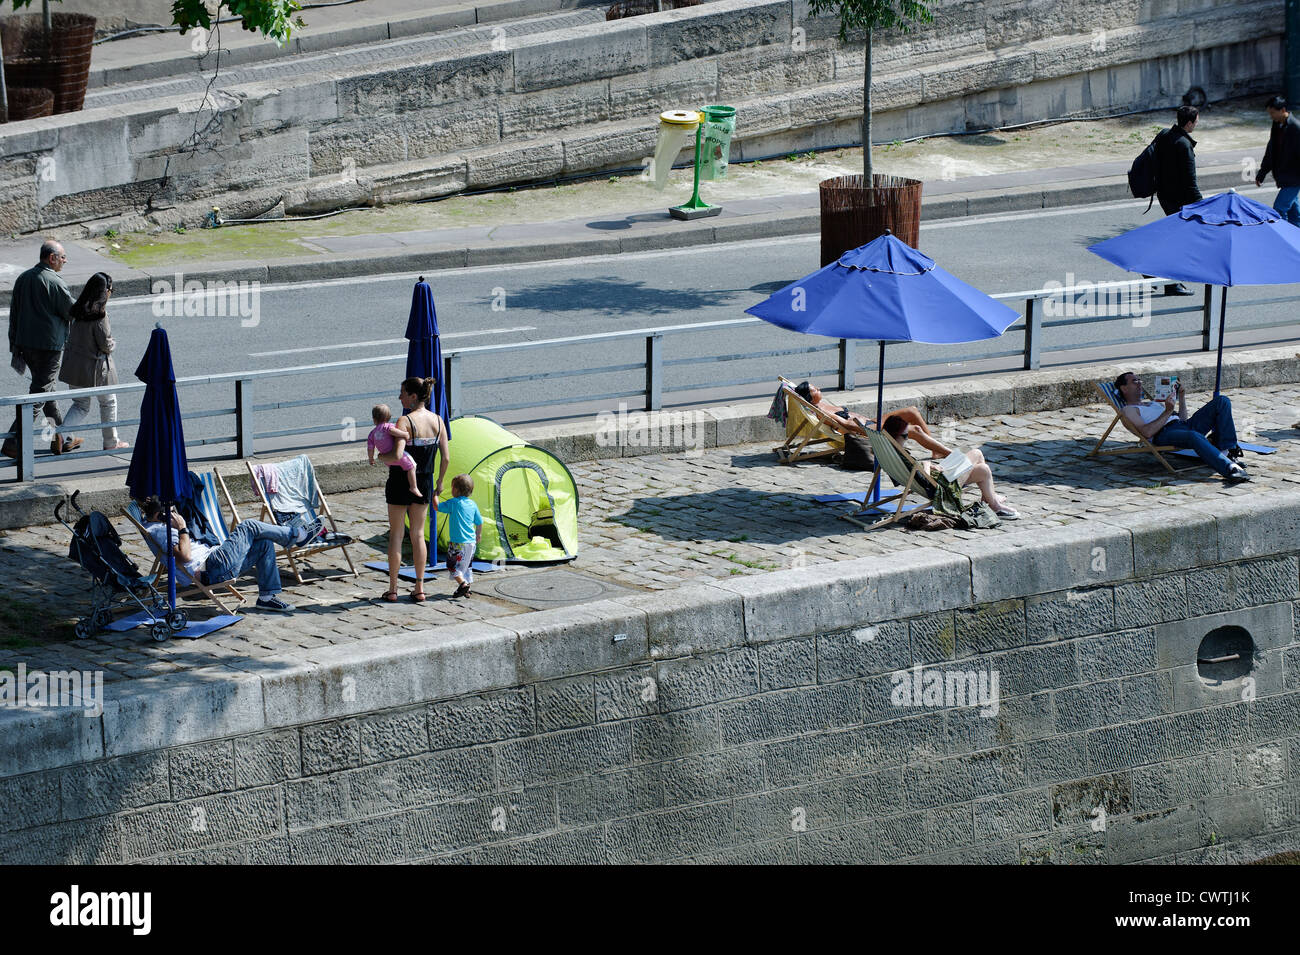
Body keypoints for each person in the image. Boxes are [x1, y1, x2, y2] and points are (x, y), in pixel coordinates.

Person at [139, 495, 340, 613]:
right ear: (160, 515)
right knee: (249, 525)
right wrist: (182, 528)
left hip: (216, 562)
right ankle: (297, 535)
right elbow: (184, 557)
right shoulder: (159, 531)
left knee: (263, 543)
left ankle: (267, 597)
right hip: (211, 568)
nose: (175, 514)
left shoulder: (158, 524)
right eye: (171, 511)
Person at [3, 239, 78, 458]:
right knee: (39, 395)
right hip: (49, 347)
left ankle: (63, 438)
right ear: (52, 258)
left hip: (26, 345)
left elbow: (14, 313)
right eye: (62, 257)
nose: (65, 261)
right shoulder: (54, 282)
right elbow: (71, 311)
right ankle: (13, 440)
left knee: (46, 391)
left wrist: (15, 344)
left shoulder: (23, 278)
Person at [1113, 371, 1248, 483]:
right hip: (1164, 434)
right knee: (1193, 436)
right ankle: (1229, 468)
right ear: (1124, 388)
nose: (1140, 383)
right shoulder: (1129, 410)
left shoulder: (1152, 404)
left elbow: (1182, 419)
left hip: (1183, 426)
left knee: (1222, 401)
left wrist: (1181, 396)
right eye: (1134, 381)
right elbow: (1147, 432)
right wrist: (1167, 411)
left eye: (1139, 380)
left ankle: (1228, 452)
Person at [383, 376, 449, 603]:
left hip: (400, 481)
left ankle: (392, 589)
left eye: (402, 392)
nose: (399, 397)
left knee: (396, 534)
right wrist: (439, 483)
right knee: (419, 534)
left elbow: (398, 455)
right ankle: (419, 588)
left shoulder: (404, 421)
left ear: (413, 395)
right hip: (425, 482)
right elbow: (446, 458)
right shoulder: (438, 421)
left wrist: (382, 457)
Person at [883, 416, 1019, 519]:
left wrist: (932, 467)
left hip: (937, 478)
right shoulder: (900, 453)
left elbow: (916, 472)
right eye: (905, 436)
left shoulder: (890, 451)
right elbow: (921, 471)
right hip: (941, 486)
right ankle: (993, 502)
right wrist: (928, 464)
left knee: (983, 470)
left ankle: (990, 499)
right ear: (896, 436)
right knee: (977, 453)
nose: (907, 439)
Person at [58, 272, 129, 453]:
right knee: (108, 402)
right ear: (105, 291)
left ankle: (61, 434)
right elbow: (105, 345)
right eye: (110, 290)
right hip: (95, 370)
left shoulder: (77, 309)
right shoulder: (100, 315)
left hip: (74, 367)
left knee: (80, 405)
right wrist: (113, 344)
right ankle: (111, 442)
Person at [794, 381, 952, 457]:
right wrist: (871, 429)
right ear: (810, 396)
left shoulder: (821, 403)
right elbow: (845, 424)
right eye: (815, 389)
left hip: (871, 422)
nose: (819, 388)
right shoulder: (821, 410)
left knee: (912, 411)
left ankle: (935, 452)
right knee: (915, 430)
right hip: (868, 430)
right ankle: (950, 454)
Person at [1154, 105, 1202, 296]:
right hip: (1178, 200)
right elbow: (1190, 182)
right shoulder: (1184, 144)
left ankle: (1153, 271)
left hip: (1164, 196)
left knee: (1174, 238)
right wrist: (1202, 205)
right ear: (1189, 123)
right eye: (1196, 121)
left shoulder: (1166, 135)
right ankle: (1170, 283)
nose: (1197, 124)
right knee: (1179, 242)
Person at [1254, 95, 1300, 226]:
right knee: (1294, 214)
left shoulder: (1296, 129)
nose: (1271, 116)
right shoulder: (1277, 125)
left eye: (1273, 113)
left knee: (1279, 209)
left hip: (1294, 178)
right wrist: (1262, 172)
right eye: (1269, 113)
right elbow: (1271, 151)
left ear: (1283, 110)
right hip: (1284, 177)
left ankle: (1283, 241)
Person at [440, 473, 483, 598]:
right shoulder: (473, 504)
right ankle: (467, 590)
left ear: (457, 490)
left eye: (452, 487)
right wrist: (478, 534)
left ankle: (463, 584)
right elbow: (479, 522)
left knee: (452, 566)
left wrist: (435, 495)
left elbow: (437, 507)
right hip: (471, 543)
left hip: (457, 543)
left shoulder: (453, 503)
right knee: (467, 566)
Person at [367, 404, 420, 498]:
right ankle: (413, 486)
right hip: (395, 454)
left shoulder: (372, 433)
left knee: (400, 468)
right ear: (389, 417)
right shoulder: (388, 427)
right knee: (412, 466)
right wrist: (405, 434)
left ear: (374, 419)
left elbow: (370, 448)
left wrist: (371, 459)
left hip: (387, 459)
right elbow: (394, 432)